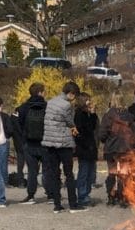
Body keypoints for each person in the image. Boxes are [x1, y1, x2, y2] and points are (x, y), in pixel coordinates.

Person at [42, 81, 83, 213]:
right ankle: (73, 204)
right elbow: (70, 122)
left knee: (54, 173)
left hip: (50, 143)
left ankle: (57, 204)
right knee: (69, 174)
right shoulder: (67, 105)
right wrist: (73, 128)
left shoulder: (50, 102)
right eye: (74, 95)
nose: (74, 98)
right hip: (63, 143)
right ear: (71, 93)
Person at [98, 92, 135, 207]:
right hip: (125, 148)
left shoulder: (108, 116)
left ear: (113, 100)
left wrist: (106, 141)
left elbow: (102, 134)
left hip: (111, 148)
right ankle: (124, 197)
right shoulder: (129, 116)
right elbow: (134, 133)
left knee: (112, 173)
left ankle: (111, 197)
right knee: (124, 173)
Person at [16, 82, 48, 205]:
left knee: (32, 171)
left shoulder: (23, 107)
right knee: (47, 169)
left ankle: (31, 195)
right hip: (44, 142)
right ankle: (51, 194)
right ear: (40, 92)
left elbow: (19, 124)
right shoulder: (47, 106)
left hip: (29, 142)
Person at [74, 92, 99, 208]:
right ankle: (82, 195)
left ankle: (86, 194)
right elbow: (79, 132)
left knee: (90, 172)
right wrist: (84, 145)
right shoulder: (79, 114)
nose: (90, 102)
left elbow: (93, 127)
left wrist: (93, 114)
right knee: (83, 172)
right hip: (84, 148)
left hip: (90, 147)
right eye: (88, 100)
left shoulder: (88, 114)